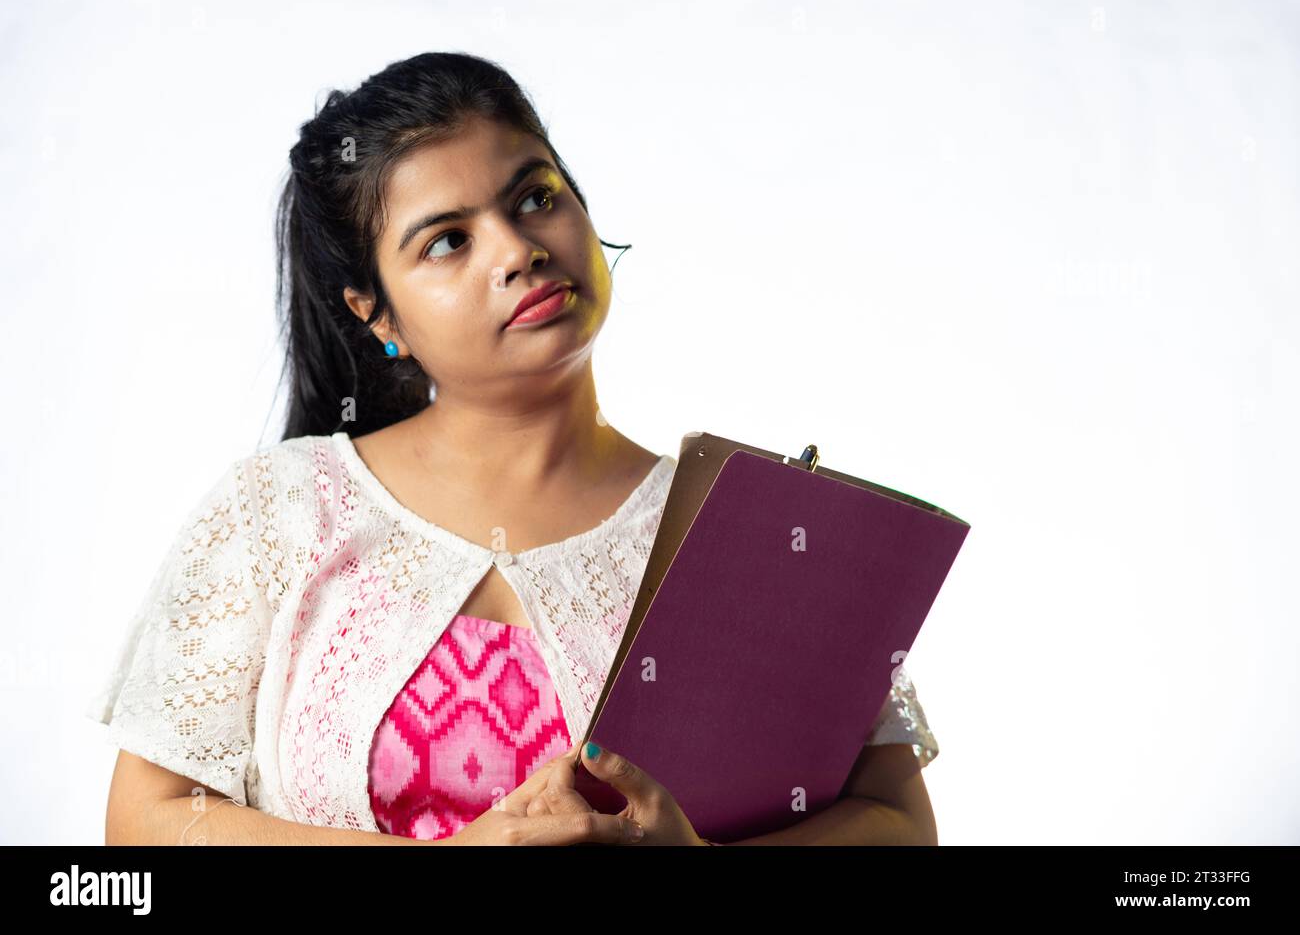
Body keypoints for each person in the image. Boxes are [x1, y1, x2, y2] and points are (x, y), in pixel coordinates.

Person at [88, 51, 940, 846]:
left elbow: (896, 822)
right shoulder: (278, 510)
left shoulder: (753, 529)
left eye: (535, 197)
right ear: (376, 315)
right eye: (448, 241)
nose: (518, 249)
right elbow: (152, 820)